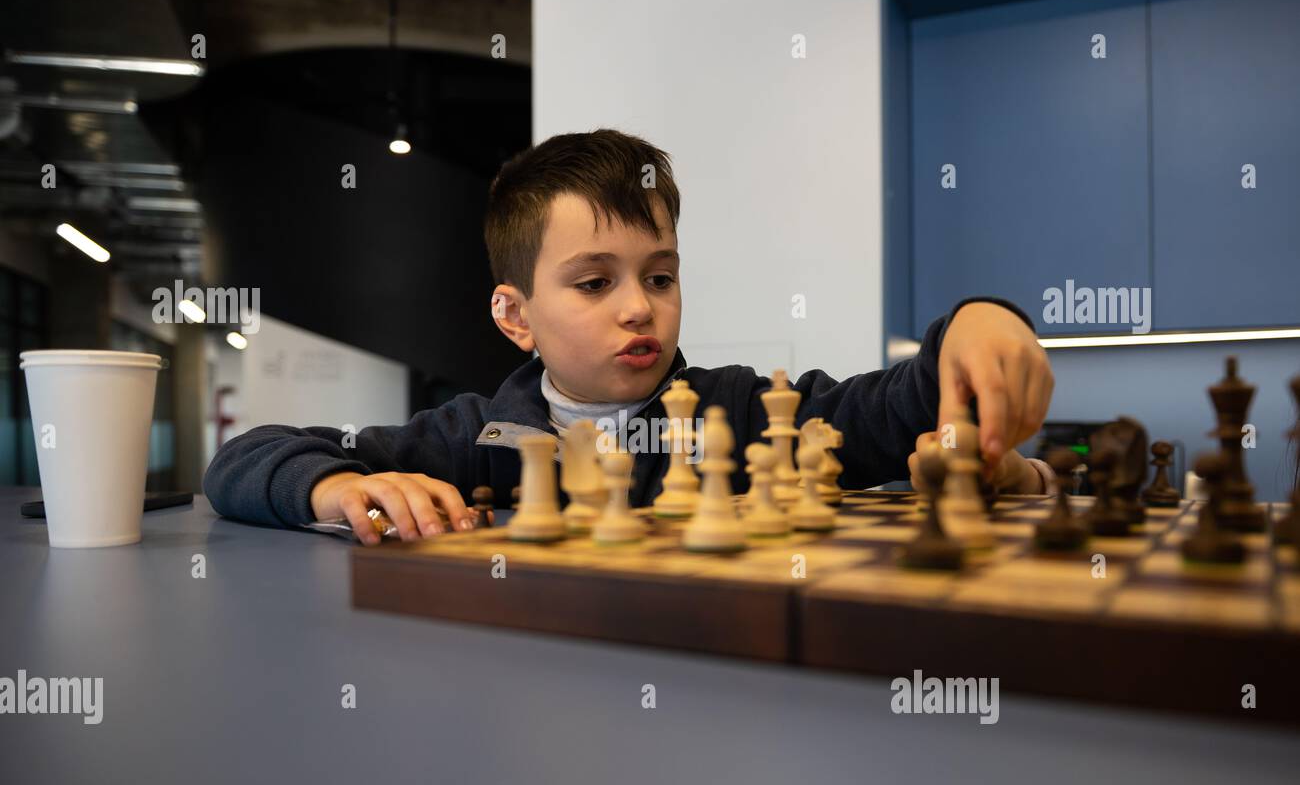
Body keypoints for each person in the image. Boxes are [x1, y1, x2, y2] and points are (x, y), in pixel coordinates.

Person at [204, 129, 1054, 545]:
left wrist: (972, 325)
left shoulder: (744, 414)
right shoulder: (474, 438)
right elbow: (241, 461)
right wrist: (333, 489)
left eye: (658, 275)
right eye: (593, 282)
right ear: (515, 315)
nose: (639, 308)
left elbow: (886, 409)